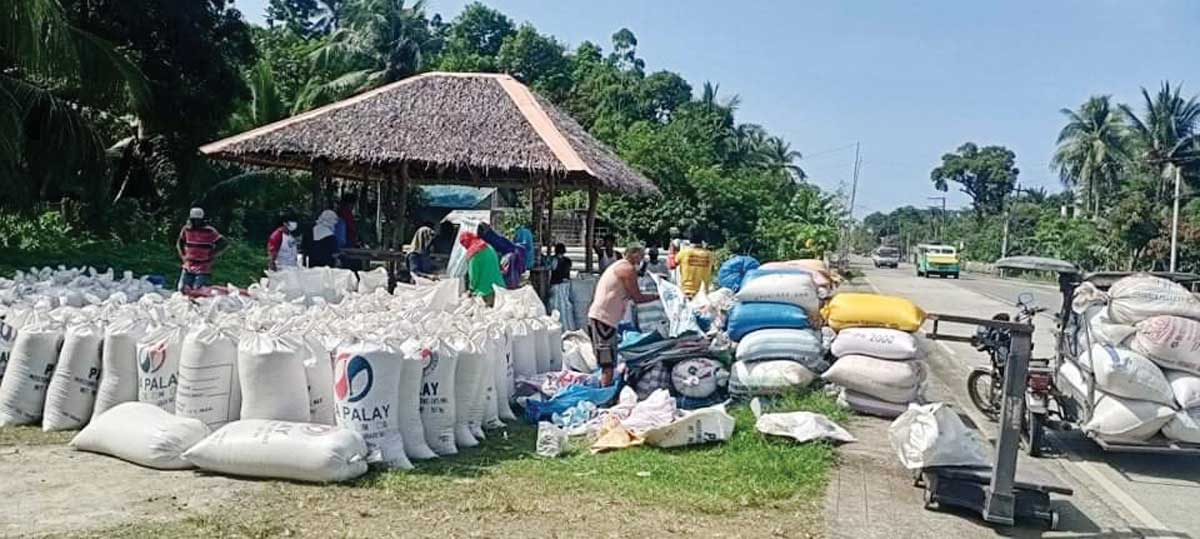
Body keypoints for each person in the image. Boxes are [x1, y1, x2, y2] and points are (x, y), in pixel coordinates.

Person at [588, 243, 659, 386]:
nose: (643, 258)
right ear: (633, 254)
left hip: (606, 319)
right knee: (607, 364)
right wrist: (659, 296)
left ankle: (605, 392)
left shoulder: (620, 265)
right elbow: (637, 297)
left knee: (609, 362)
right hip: (603, 319)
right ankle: (604, 398)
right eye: (641, 255)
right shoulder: (627, 269)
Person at [176, 207, 228, 292]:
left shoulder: (209, 231)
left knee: (197, 289)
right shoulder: (186, 229)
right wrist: (183, 255)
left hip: (203, 265)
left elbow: (223, 242)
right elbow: (180, 242)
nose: (196, 222)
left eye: (198, 220)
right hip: (188, 264)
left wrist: (213, 254)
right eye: (194, 220)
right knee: (182, 288)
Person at [460, 231, 506, 305]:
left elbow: (474, 275)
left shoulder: (473, 254)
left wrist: (471, 289)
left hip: (485, 291)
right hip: (500, 287)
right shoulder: (489, 247)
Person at [477, 222, 525, 289]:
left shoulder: (488, 239)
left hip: (509, 256)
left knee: (509, 280)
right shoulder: (495, 237)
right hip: (511, 255)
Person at [676, 233, 716, 298]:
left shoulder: (683, 253)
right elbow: (712, 270)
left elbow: (672, 265)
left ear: (689, 240)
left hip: (687, 290)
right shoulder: (710, 255)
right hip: (703, 293)